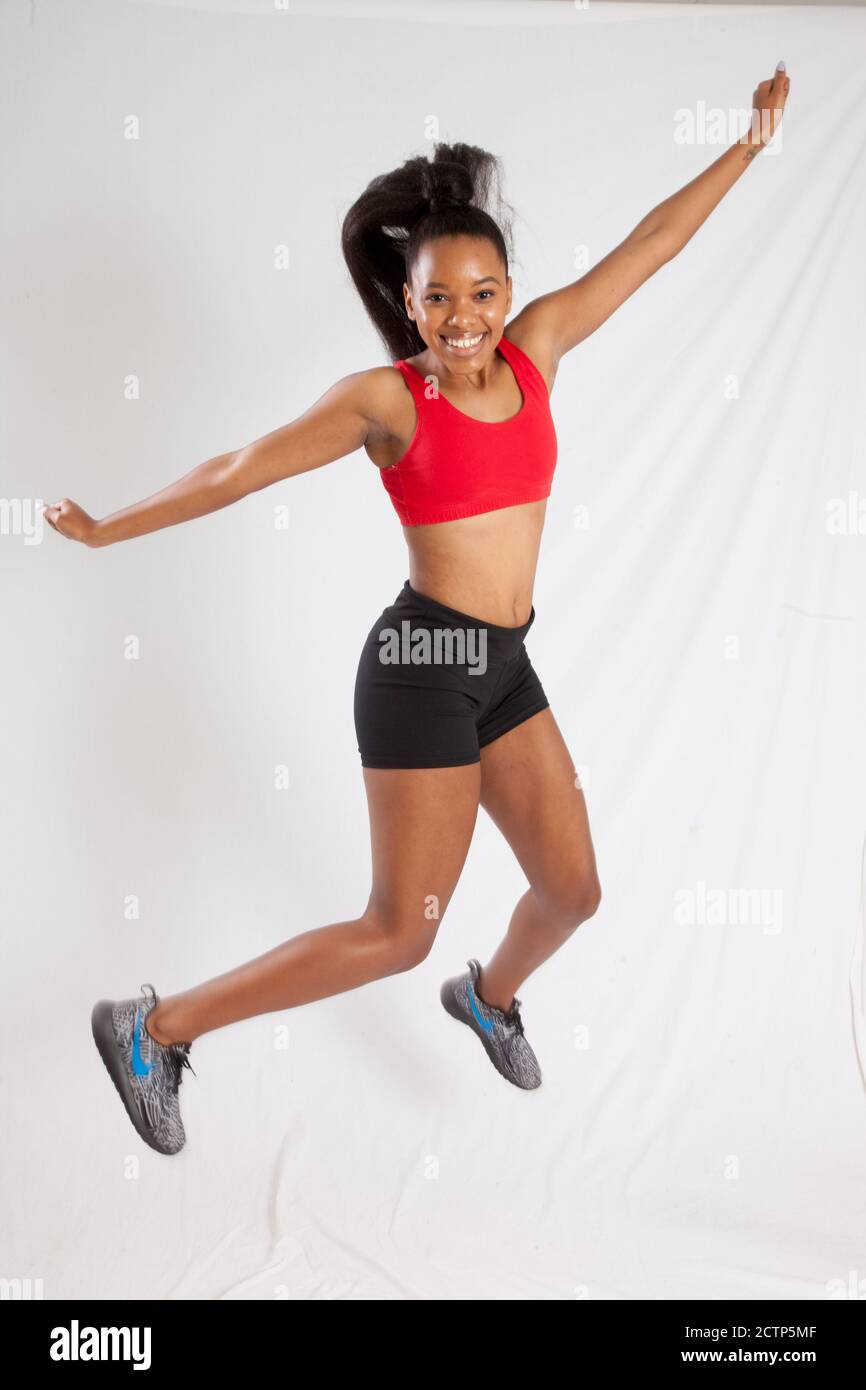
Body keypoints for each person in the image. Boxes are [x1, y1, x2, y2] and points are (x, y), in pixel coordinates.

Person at [43, 68, 790, 1156]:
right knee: (396, 930)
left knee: (573, 890)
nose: (463, 318)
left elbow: (649, 245)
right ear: (407, 300)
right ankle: (153, 1027)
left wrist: (747, 146)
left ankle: (486, 996)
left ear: (506, 289)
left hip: (502, 665)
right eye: (438, 296)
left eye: (482, 292)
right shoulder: (389, 400)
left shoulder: (535, 353)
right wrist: (111, 528)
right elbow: (239, 468)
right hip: (419, 665)